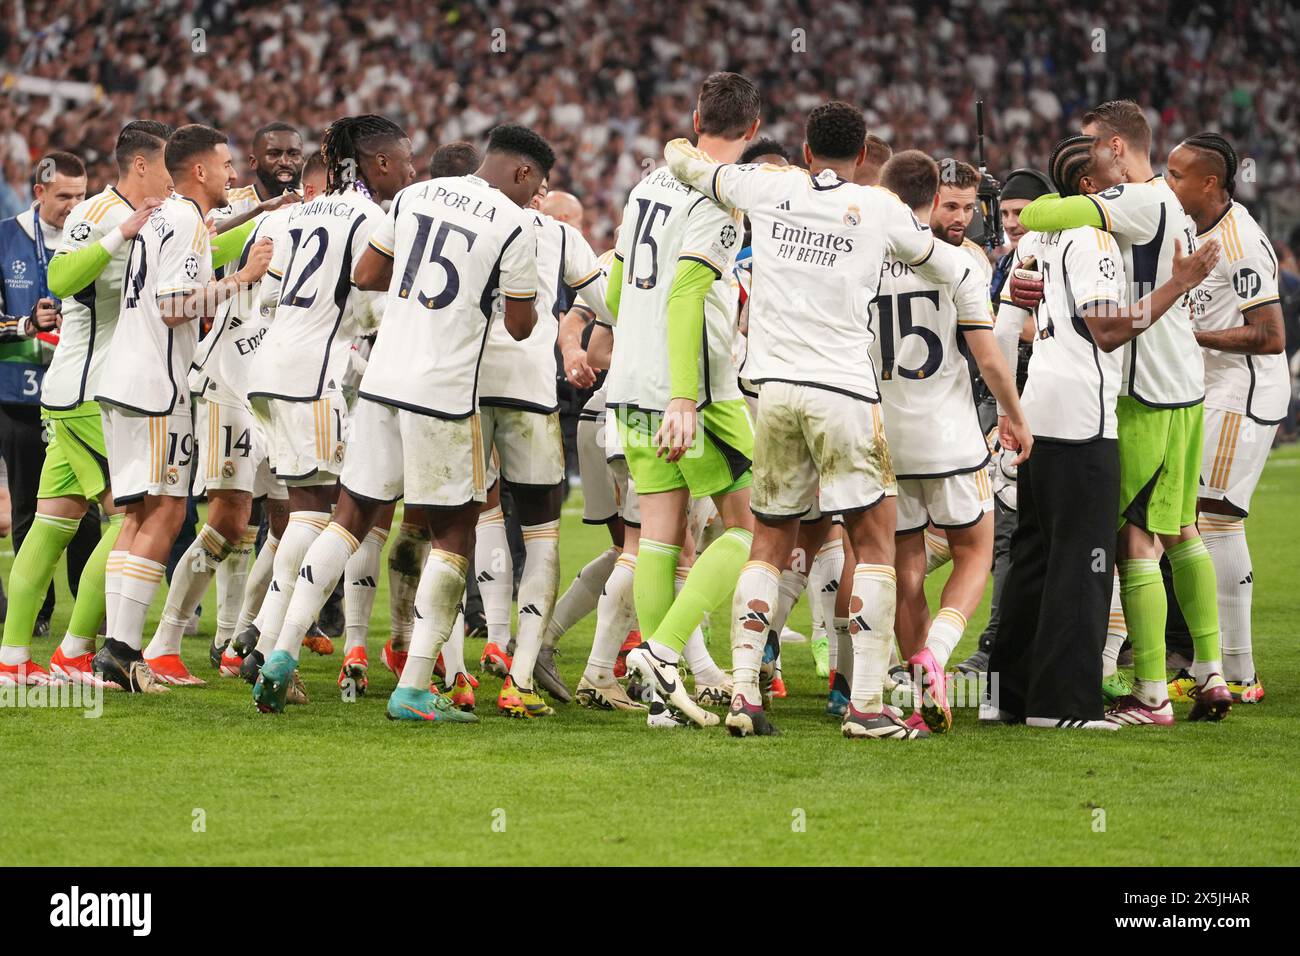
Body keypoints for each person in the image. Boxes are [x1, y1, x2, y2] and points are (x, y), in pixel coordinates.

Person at [665, 102, 996, 740]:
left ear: (808, 151)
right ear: (861, 153)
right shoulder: (880, 208)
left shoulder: (772, 186)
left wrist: (684, 141)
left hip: (775, 391)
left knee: (768, 543)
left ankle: (744, 696)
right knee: (872, 546)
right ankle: (866, 706)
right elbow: (949, 265)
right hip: (844, 391)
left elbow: (693, 167)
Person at [253, 124, 547, 721]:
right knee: (454, 535)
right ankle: (413, 687)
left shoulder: (417, 196)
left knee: (350, 517)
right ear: (521, 173)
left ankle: (281, 652)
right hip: (443, 394)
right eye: (537, 182)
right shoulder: (514, 224)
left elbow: (365, 274)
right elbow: (520, 325)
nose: (535, 193)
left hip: (382, 383)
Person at [991, 134, 1218, 729]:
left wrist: (1006, 411)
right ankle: (1063, 706)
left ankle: (1007, 698)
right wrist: (1180, 282)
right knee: (1084, 562)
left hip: (1035, 410)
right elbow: (1107, 330)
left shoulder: (1033, 240)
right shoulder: (1093, 239)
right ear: (1090, 188)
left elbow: (1001, 329)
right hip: (1084, 421)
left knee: (1032, 557)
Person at [597, 72, 762, 730]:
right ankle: (663, 653)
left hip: (629, 386)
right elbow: (688, 293)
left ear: (696, 116)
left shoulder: (645, 186)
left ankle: (661, 701)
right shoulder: (718, 199)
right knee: (749, 528)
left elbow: (614, 293)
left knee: (659, 538)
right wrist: (686, 397)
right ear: (752, 130)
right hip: (690, 391)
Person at [90, 124, 274, 692]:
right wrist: (240, 279)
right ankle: (122, 653)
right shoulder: (187, 221)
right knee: (167, 514)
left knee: (138, 517)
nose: (232, 174)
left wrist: (270, 209)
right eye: (224, 165)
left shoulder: (165, 214)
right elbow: (174, 306)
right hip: (157, 387)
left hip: (121, 377)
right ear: (200, 170)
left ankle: (115, 656)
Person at [238, 115, 414, 698]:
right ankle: (270, 650)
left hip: (269, 367)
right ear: (375, 162)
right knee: (331, 517)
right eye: (400, 159)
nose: (408, 170)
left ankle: (260, 640)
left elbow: (267, 293)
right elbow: (372, 305)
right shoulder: (372, 217)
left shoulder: (297, 212)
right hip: (315, 374)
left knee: (302, 512)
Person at [0, 128, 176, 686]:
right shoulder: (98, 213)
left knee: (52, 525)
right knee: (132, 519)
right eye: (169, 164)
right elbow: (60, 277)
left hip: (94, 393)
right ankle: (75, 650)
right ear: (142, 165)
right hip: (85, 394)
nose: (175, 176)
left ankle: (12, 658)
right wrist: (119, 232)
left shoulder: (156, 211)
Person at [872, 151, 1031, 734]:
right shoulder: (958, 260)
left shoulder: (866, 254)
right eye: (952, 202)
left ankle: (917, 690)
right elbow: (988, 355)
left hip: (885, 436)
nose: (963, 214)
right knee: (975, 552)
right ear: (929, 198)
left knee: (904, 566)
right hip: (949, 434)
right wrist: (1014, 415)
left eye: (969, 205)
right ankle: (936, 657)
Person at [1165, 132, 1286, 705]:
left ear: (1209, 182)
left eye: (1176, 174)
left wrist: (1192, 336)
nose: (1168, 181)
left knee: (1216, 522)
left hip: (1241, 392)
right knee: (1199, 519)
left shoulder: (1240, 241)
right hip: (1211, 389)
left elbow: (1269, 335)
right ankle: (1211, 665)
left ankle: (1238, 676)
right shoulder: (1195, 229)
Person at [0, 150, 101, 646]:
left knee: (88, 515)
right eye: (65, 196)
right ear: (39, 193)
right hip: (17, 395)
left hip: (81, 395)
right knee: (27, 510)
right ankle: (36, 613)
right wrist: (24, 326)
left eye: (82, 195)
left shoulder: (95, 236)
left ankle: (90, 613)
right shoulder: (5, 237)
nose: (75, 205)